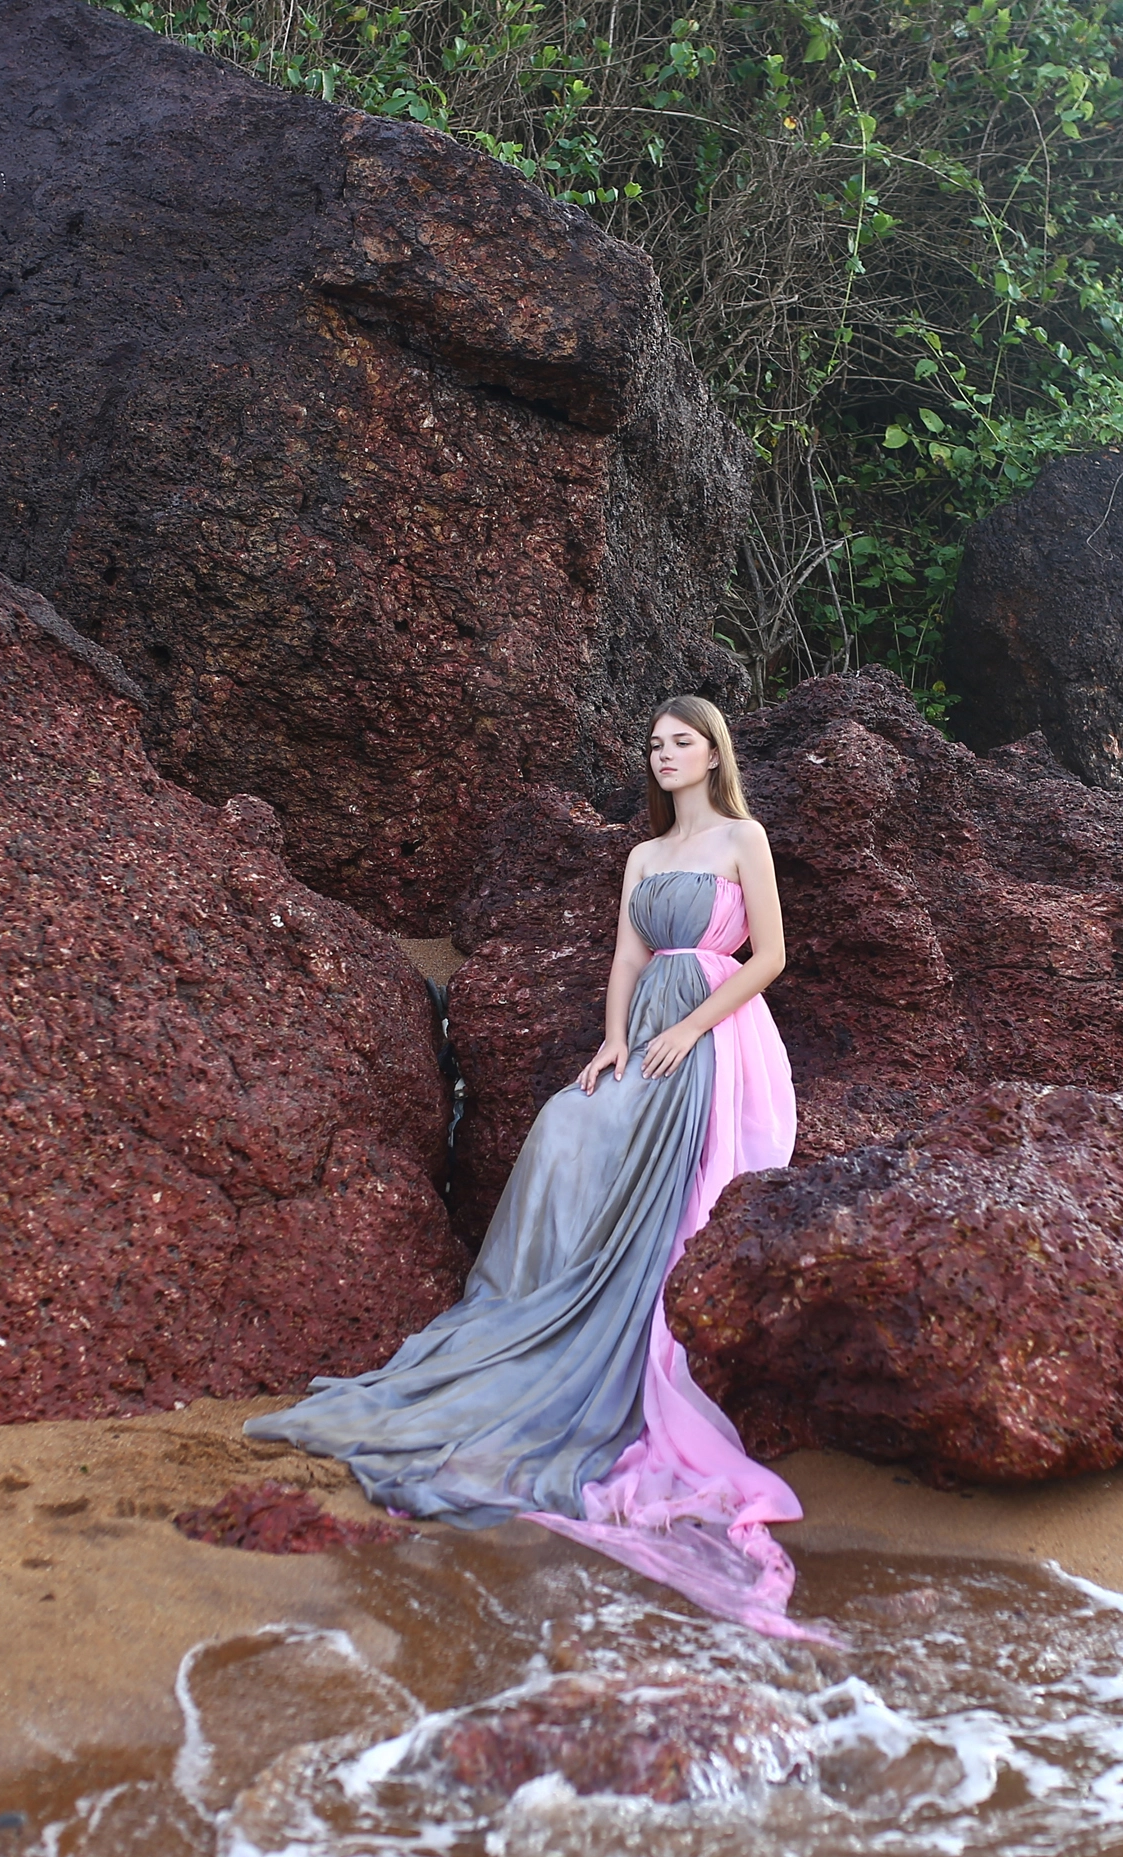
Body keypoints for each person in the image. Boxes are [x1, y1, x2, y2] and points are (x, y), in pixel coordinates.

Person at [247, 695, 818, 1638]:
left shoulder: (744, 838)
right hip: (645, 1029)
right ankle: (544, 1304)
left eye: (681, 743)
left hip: (715, 1032)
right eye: (655, 744)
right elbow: (628, 958)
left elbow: (772, 957)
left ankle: (632, 1310)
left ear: (713, 755)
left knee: (661, 1182)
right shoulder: (642, 856)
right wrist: (609, 1043)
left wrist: (685, 1030)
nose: (664, 754)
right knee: (565, 1125)